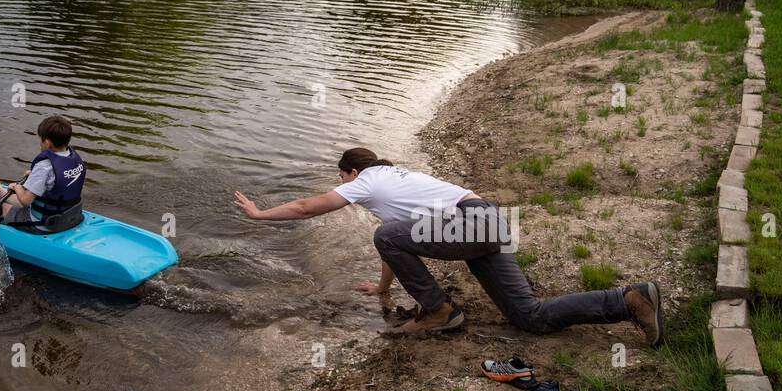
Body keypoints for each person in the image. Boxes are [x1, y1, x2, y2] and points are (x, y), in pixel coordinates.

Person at [233, 147, 664, 344]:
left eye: (342, 178)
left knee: (384, 234)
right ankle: (627, 299)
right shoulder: (402, 179)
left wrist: (259, 214)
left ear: (350, 172)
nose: (344, 186)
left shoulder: (367, 180)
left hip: (472, 224)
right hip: (488, 224)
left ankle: (440, 312)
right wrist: (383, 289)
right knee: (528, 317)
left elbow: (309, 208)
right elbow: (398, 243)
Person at [0, 115, 87, 233]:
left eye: (41, 140)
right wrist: (34, 177)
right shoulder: (73, 158)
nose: (40, 144)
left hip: (44, 224)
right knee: (16, 198)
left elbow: (25, 201)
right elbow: (58, 182)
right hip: (70, 217)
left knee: (0, 209)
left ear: (48, 143)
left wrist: (17, 187)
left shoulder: (45, 167)